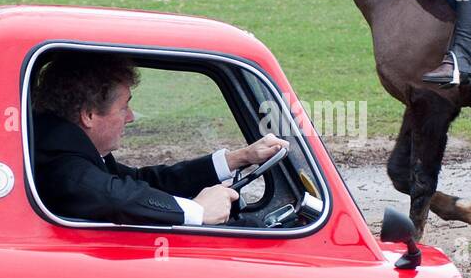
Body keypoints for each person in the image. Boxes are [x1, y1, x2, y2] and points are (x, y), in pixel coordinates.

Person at [31, 50, 288, 226]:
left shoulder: (66, 145)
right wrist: (198, 211)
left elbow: (138, 182)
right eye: (124, 107)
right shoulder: (63, 165)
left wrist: (236, 159)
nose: (130, 117)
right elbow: (117, 198)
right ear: (88, 115)